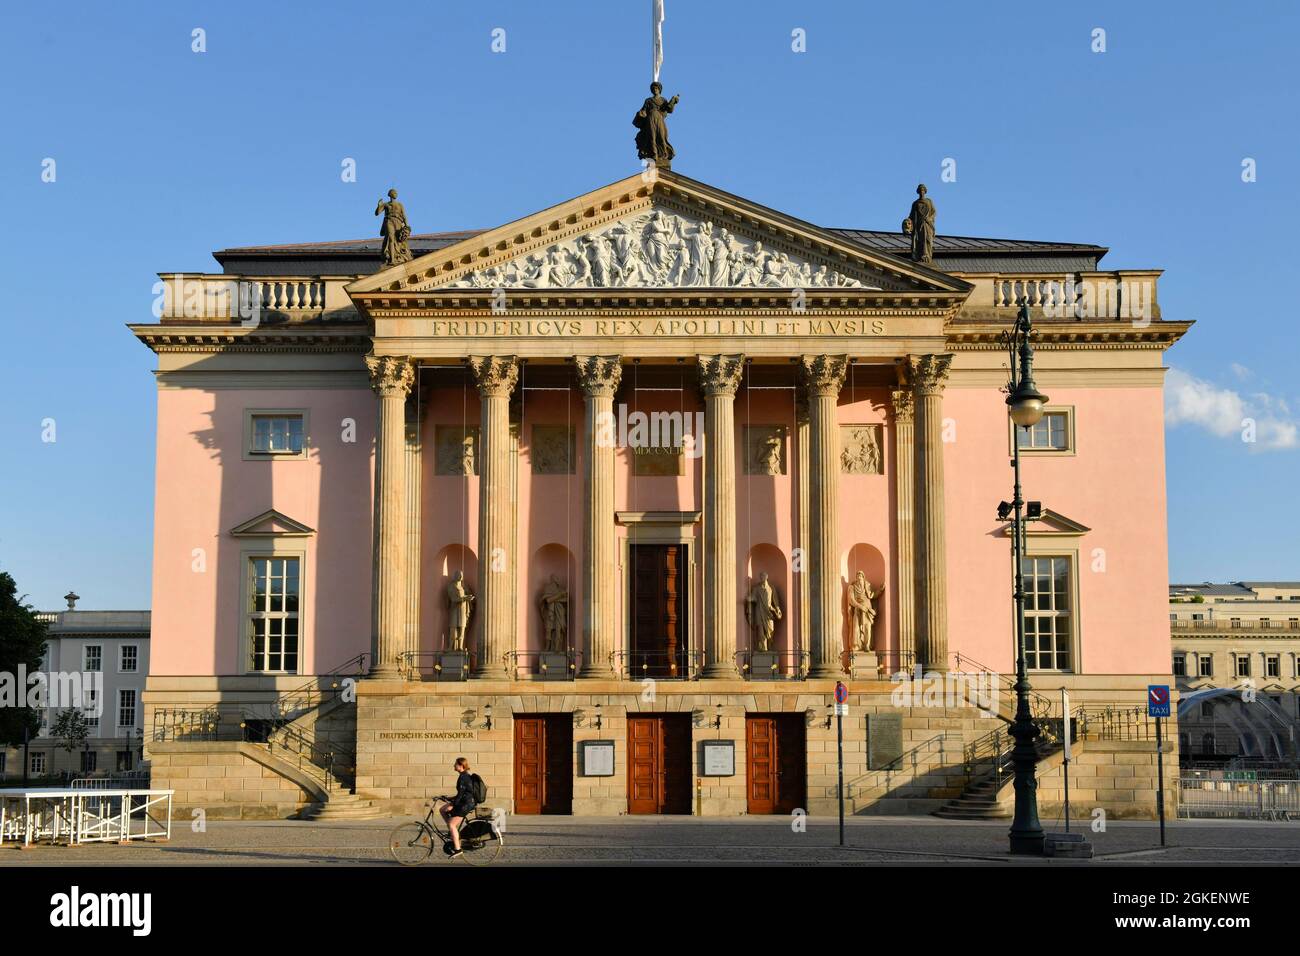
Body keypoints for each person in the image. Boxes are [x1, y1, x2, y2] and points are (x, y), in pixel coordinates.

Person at [440, 757, 478, 858]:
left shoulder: (463, 777)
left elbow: (461, 795)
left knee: (452, 824)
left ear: (461, 765)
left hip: (466, 805)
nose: (454, 765)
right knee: (442, 809)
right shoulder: (464, 775)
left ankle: (457, 849)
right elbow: (462, 794)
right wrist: (449, 798)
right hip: (465, 802)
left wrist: (452, 804)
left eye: (455, 764)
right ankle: (452, 832)